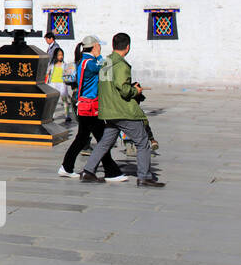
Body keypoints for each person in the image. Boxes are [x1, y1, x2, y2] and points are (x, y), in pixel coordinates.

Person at [81, 32, 163, 187]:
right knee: (143, 141)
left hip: (109, 110)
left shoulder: (106, 62)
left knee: (105, 142)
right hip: (122, 110)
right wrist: (135, 91)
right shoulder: (120, 65)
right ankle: (144, 176)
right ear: (127, 47)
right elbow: (123, 89)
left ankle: (88, 171)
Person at [57, 36, 128, 181]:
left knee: (84, 138)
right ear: (94, 46)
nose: (100, 48)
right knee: (102, 139)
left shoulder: (85, 61)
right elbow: (107, 67)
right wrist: (100, 55)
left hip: (86, 106)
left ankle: (67, 167)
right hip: (89, 107)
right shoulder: (89, 63)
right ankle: (111, 171)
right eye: (99, 46)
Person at [46, 46, 70, 121]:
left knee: (64, 100)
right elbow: (48, 73)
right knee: (53, 101)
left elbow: (67, 74)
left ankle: (67, 115)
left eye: (62, 55)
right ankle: (51, 115)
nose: (61, 56)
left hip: (62, 84)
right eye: (59, 55)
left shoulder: (65, 64)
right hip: (53, 83)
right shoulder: (52, 65)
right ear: (55, 56)